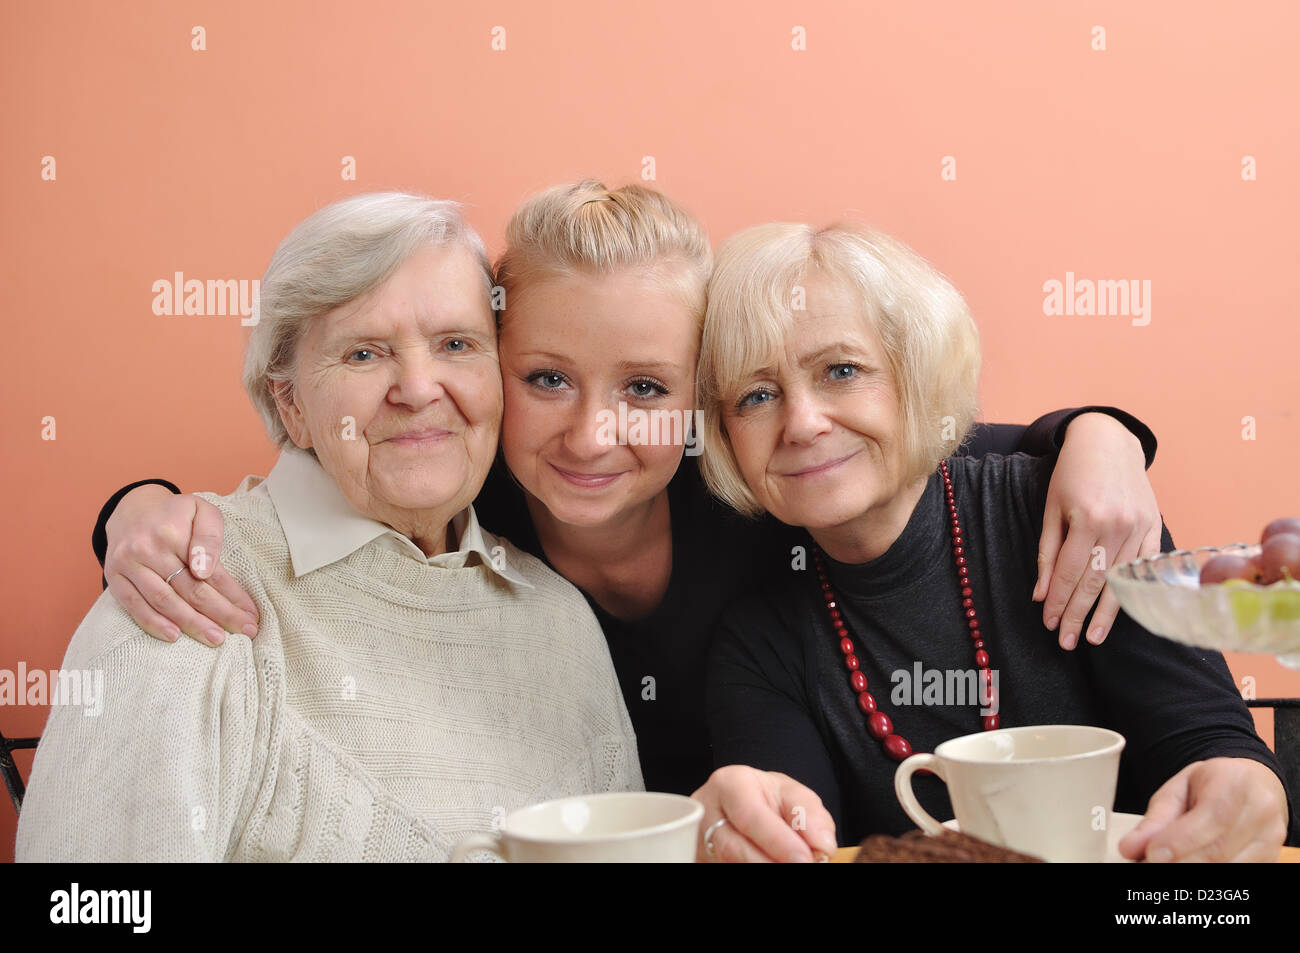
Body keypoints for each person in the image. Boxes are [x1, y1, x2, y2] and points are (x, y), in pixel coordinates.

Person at [89, 182, 1165, 862]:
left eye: (647, 390)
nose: (594, 435)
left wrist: (1103, 431)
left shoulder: (752, 478)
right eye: (545, 377)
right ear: (498, 371)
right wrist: (132, 511)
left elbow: (923, 443)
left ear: (708, 400)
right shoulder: (471, 496)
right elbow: (318, 463)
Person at [17, 193, 642, 862]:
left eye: (456, 343)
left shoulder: (559, 620)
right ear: (291, 403)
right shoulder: (183, 588)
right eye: (364, 354)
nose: (419, 387)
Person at [698, 220, 1296, 860]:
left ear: (917, 379)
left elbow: (1209, 740)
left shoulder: (1066, 511)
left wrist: (1246, 788)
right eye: (757, 395)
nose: (802, 423)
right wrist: (746, 826)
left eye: (842, 370)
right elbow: (793, 830)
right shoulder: (757, 636)